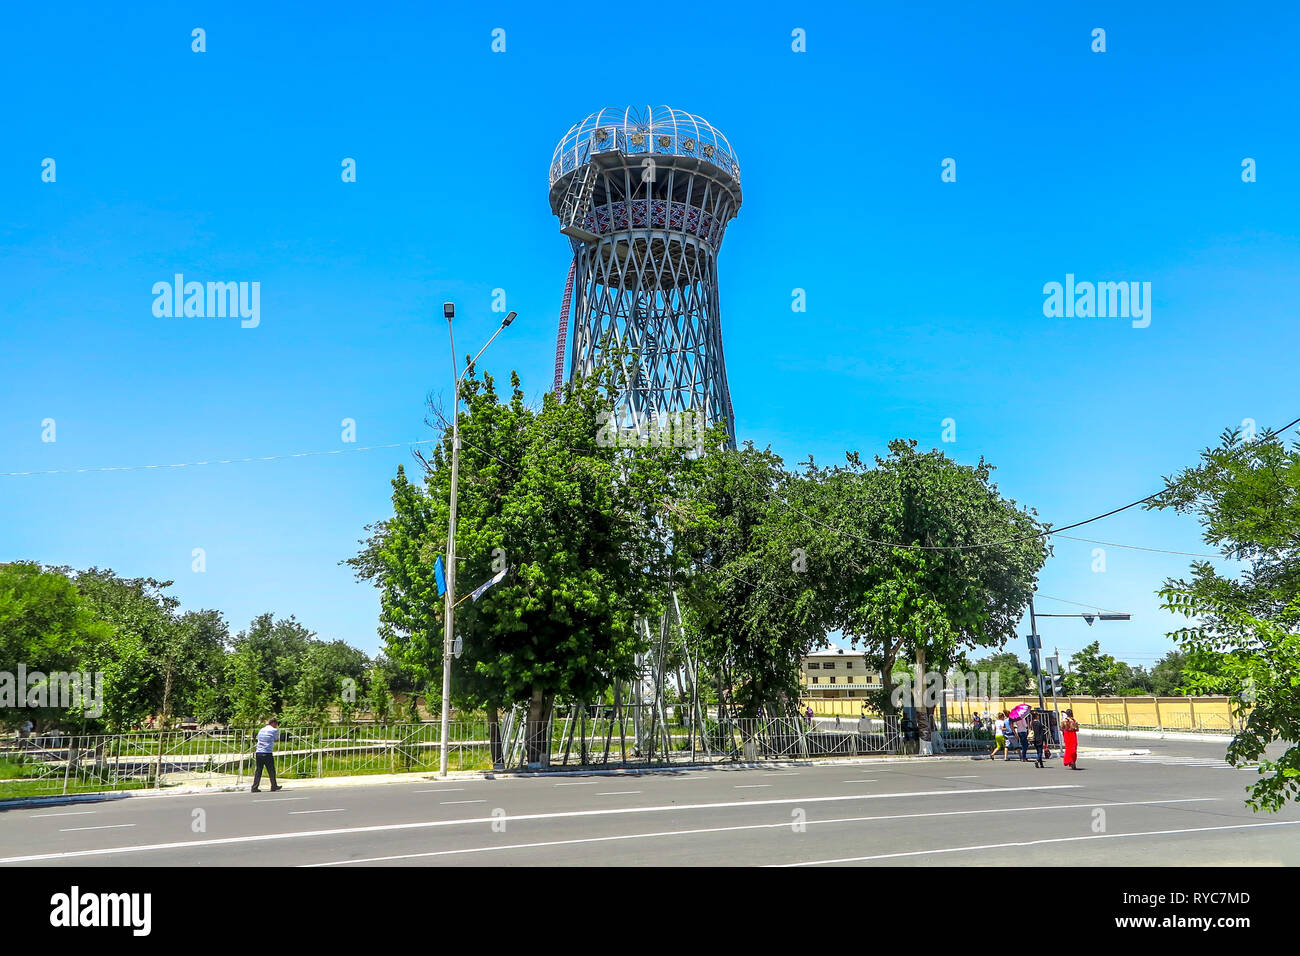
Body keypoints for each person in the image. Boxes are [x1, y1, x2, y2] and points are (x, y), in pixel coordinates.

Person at [251, 718, 283, 793]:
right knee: (271, 770)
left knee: (258, 770)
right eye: (276, 724)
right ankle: (274, 786)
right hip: (267, 752)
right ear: (274, 723)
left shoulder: (261, 729)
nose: (276, 726)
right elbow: (277, 739)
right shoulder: (274, 730)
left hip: (259, 752)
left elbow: (258, 738)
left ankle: (254, 787)